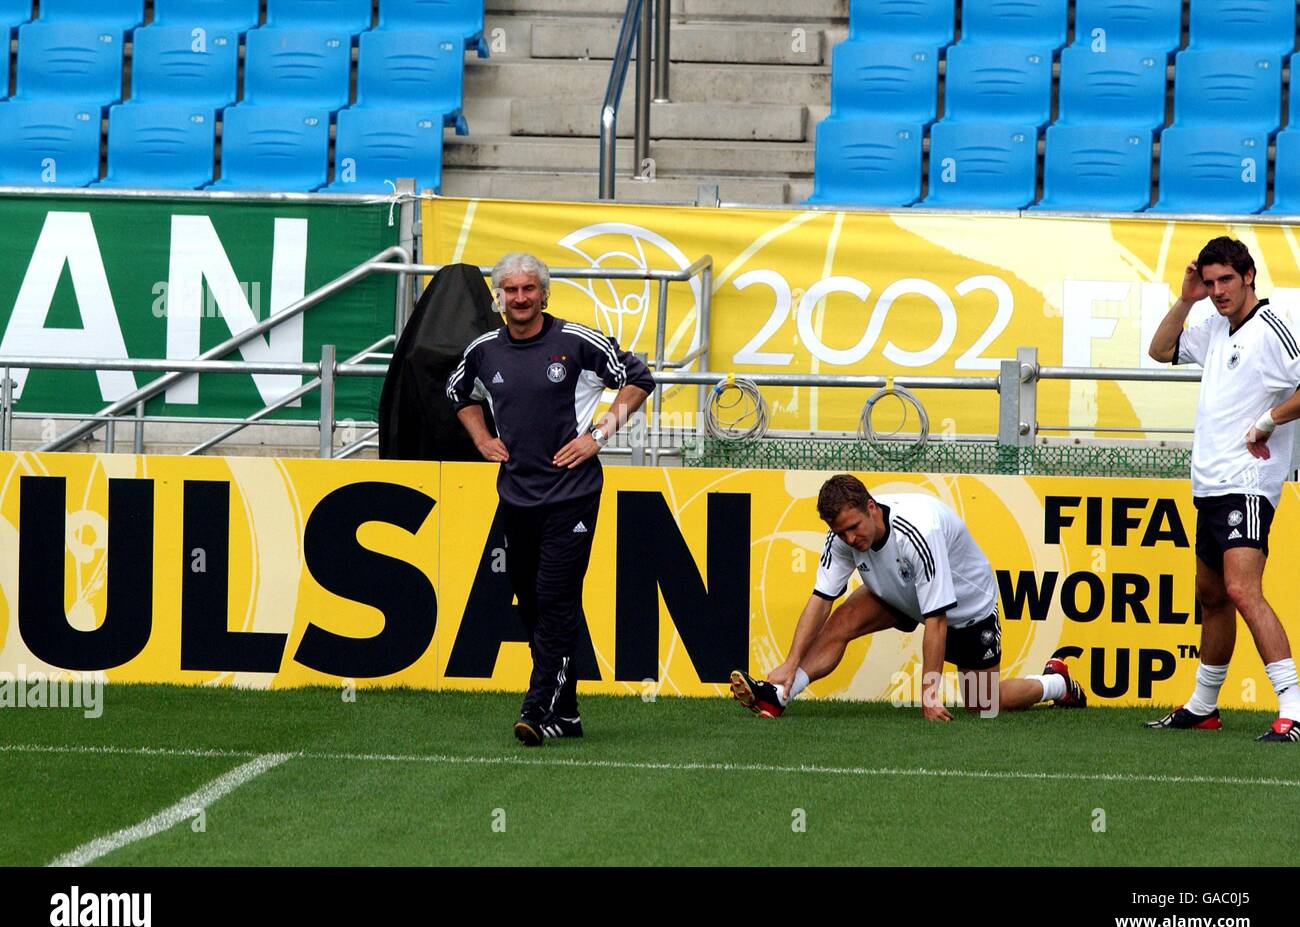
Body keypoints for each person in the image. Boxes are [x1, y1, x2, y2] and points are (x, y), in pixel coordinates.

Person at [447, 253, 655, 746]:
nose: (520, 298)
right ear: (498, 297)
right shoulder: (483, 350)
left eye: (529, 289)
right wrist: (480, 439)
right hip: (517, 497)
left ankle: (536, 708)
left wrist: (599, 435)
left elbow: (639, 379)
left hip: (573, 496)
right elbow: (458, 392)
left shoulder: (577, 341)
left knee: (557, 600)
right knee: (534, 603)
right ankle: (568, 714)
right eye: (511, 290)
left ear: (544, 293)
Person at [730, 474, 1087, 720]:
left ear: (871, 507)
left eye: (854, 527)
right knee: (841, 620)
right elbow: (820, 600)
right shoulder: (841, 539)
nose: (851, 539)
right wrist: (791, 664)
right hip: (901, 594)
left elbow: (937, 618)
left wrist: (929, 694)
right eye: (841, 532)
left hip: (965, 609)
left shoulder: (919, 529)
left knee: (984, 703)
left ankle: (1058, 683)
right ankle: (779, 695)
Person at [1145, 236, 1300, 742]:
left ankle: (1294, 706)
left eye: (1225, 281)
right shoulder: (1212, 324)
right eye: (1209, 283)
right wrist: (1186, 298)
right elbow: (1161, 349)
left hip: (1248, 483)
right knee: (1211, 597)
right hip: (1210, 484)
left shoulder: (1274, 327)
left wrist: (1269, 420)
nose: (1218, 291)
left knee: (1241, 588)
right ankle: (1204, 705)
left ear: (1249, 275)